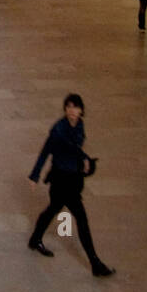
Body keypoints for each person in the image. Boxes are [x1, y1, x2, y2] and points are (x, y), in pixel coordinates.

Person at [28, 94, 114, 277]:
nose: (72, 111)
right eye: (69, 107)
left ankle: (35, 239)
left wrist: (83, 160)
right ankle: (95, 262)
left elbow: (76, 147)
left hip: (72, 178)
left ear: (81, 110)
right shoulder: (58, 130)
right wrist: (35, 175)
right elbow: (46, 152)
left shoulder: (79, 125)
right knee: (81, 218)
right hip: (61, 180)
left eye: (75, 107)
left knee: (53, 209)